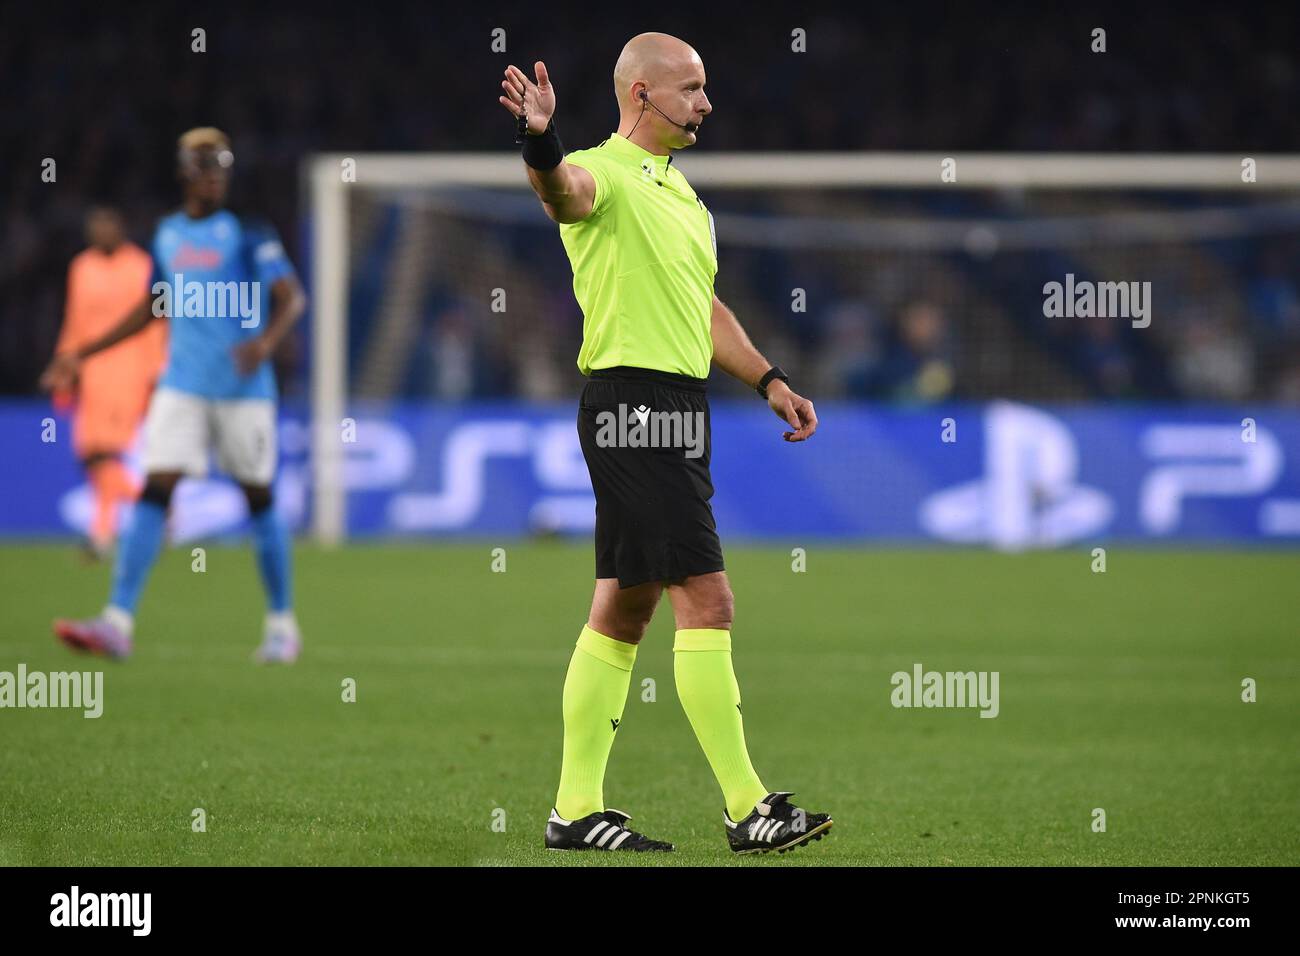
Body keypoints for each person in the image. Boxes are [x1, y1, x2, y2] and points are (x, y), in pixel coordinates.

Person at [499, 33, 832, 854]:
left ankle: (574, 811)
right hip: (633, 404)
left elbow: (705, 310)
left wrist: (769, 380)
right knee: (707, 598)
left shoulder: (683, 198)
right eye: (690, 88)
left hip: (675, 405)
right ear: (641, 94)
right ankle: (748, 807)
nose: (706, 102)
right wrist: (538, 137)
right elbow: (558, 191)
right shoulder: (601, 171)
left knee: (625, 605)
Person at [40, 128, 307, 663]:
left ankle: (282, 625)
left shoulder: (249, 234)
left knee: (258, 498)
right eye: (204, 166)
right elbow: (152, 307)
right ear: (185, 171)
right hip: (181, 385)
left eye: (221, 167)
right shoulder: (167, 236)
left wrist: (266, 343)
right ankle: (117, 622)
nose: (213, 176)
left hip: (243, 392)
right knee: (154, 490)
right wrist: (84, 353)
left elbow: (292, 298)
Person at [52, 206, 167, 558]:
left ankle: (103, 534)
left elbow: (157, 319)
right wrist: (64, 366)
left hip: (129, 371)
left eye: (107, 224)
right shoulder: (81, 267)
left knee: (106, 453)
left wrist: (155, 370)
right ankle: (154, 513)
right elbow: (75, 320)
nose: (100, 232)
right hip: (92, 374)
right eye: (94, 226)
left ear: (121, 227)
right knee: (91, 454)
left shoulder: (143, 265)